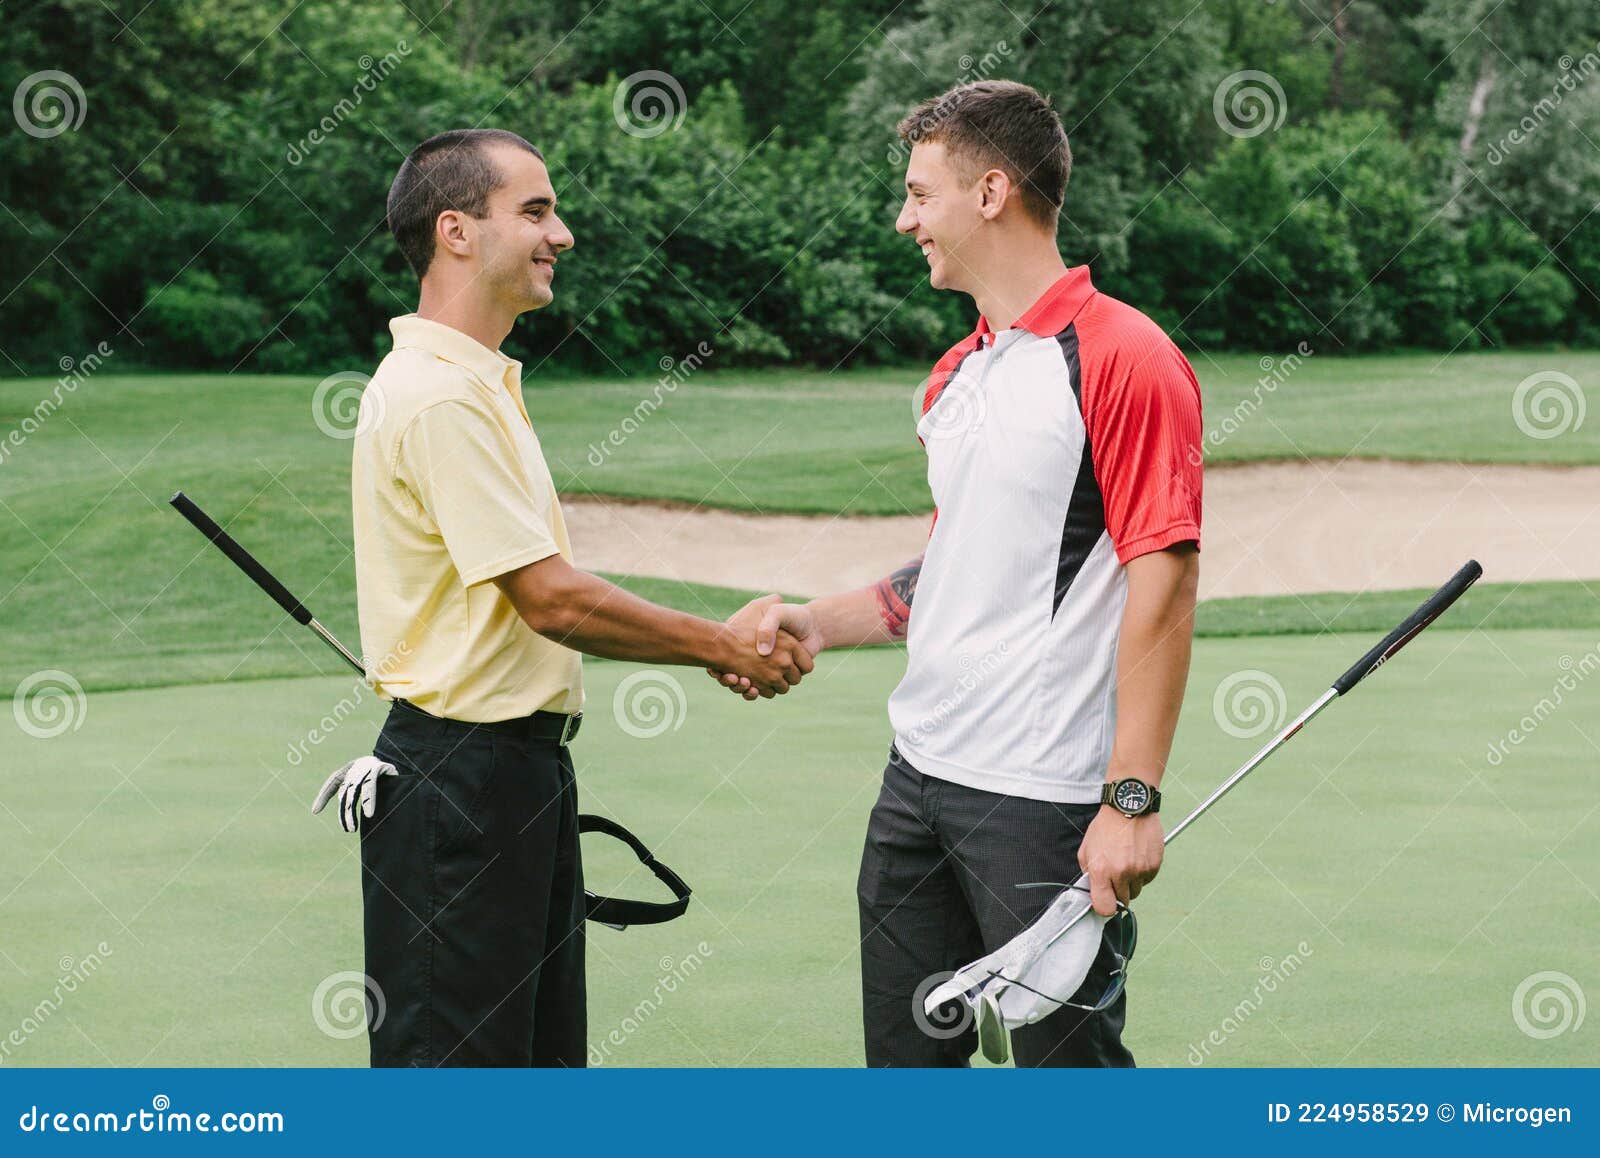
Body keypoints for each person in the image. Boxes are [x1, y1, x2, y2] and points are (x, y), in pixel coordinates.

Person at [713, 81, 1203, 1067]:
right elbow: (954, 566)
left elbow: (1164, 577)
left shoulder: (1122, 356)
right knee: (904, 1070)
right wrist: (818, 621)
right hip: (917, 782)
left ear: (989, 192)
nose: (904, 220)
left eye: (917, 194)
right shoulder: (955, 374)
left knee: (1070, 1077)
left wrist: (1131, 799)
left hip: (1041, 799)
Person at [333, 128, 812, 1068]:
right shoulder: (440, 396)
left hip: (511, 782)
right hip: (459, 784)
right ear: (456, 231)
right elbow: (549, 599)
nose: (565, 235)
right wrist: (723, 644)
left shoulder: (476, 381)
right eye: (537, 211)